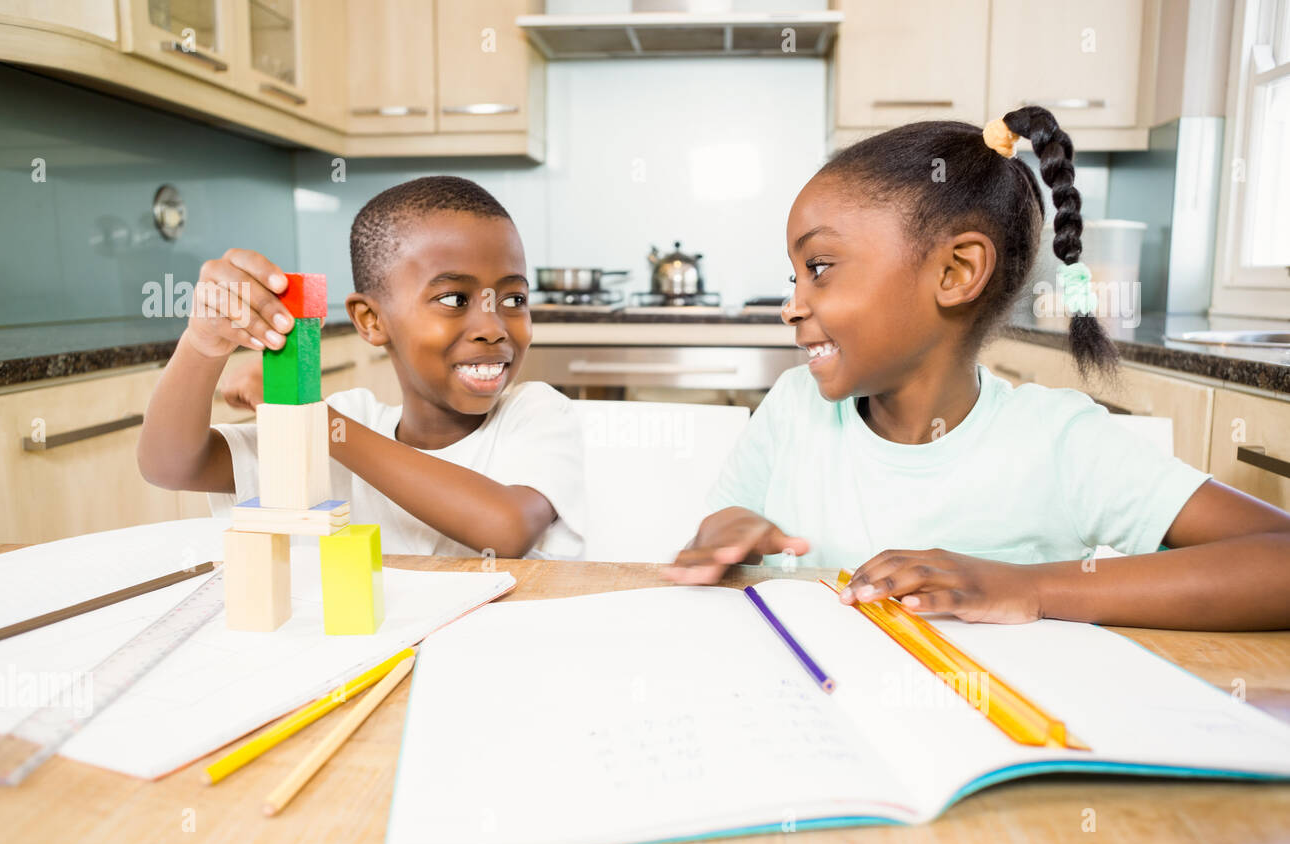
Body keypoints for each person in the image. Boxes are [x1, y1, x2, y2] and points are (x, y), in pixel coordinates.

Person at [667, 109, 1290, 630]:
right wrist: (726, 533)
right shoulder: (792, 407)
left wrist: (1028, 587)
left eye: (821, 268)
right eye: (793, 276)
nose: (791, 306)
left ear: (956, 272)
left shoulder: (1056, 442)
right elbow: (726, 524)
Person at [138, 175, 584, 558]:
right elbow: (172, 467)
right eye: (454, 299)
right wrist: (202, 345)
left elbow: (505, 529)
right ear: (371, 321)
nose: (493, 326)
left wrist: (315, 419)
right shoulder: (351, 419)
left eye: (513, 299)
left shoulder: (537, 413)